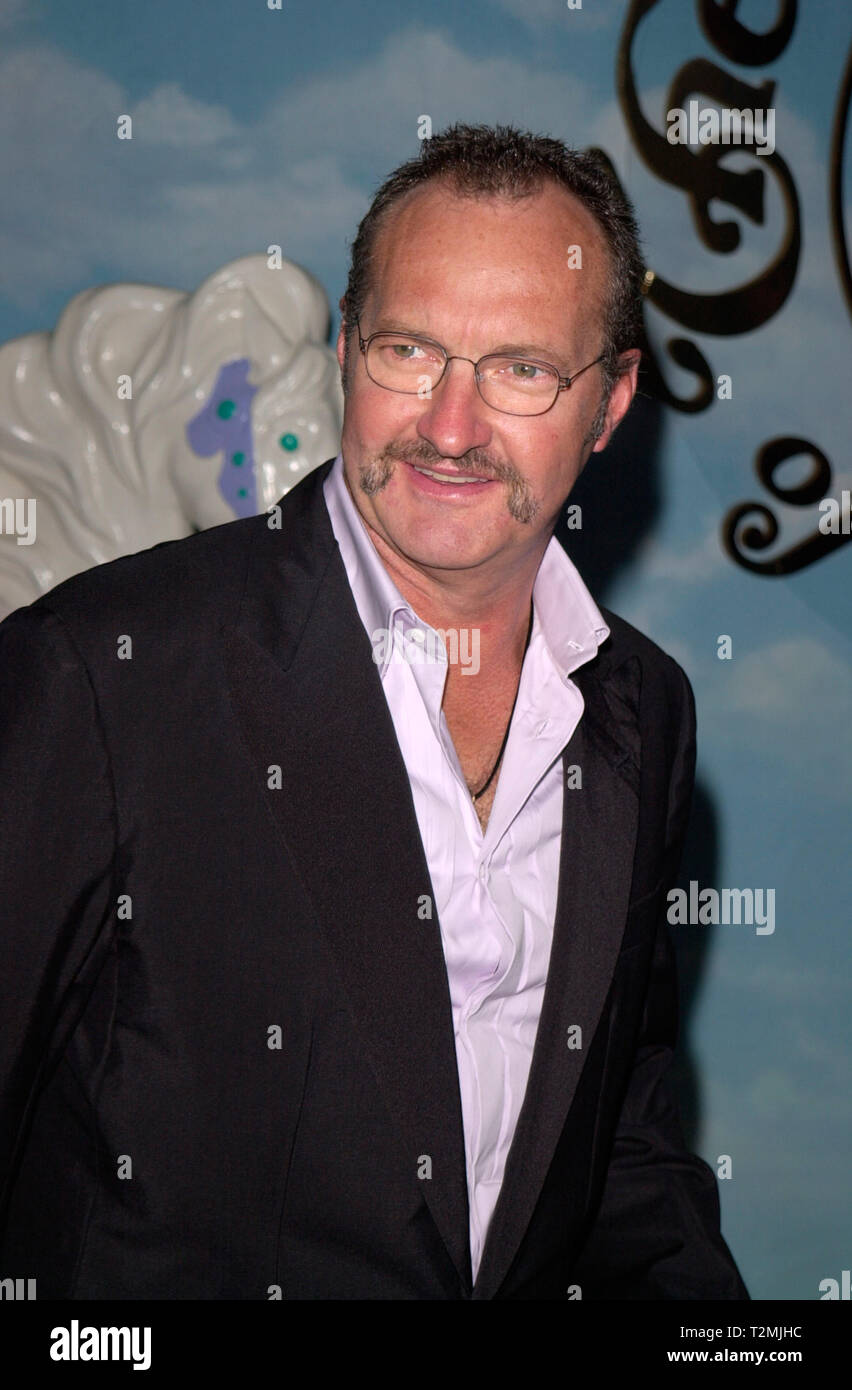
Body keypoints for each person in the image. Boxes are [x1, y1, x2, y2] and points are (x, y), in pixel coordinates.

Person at [0, 123, 748, 1300]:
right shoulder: (101, 675)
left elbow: (618, 1150)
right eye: (410, 349)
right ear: (344, 351)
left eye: (521, 369)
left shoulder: (644, 710)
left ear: (609, 402)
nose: (449, 428)